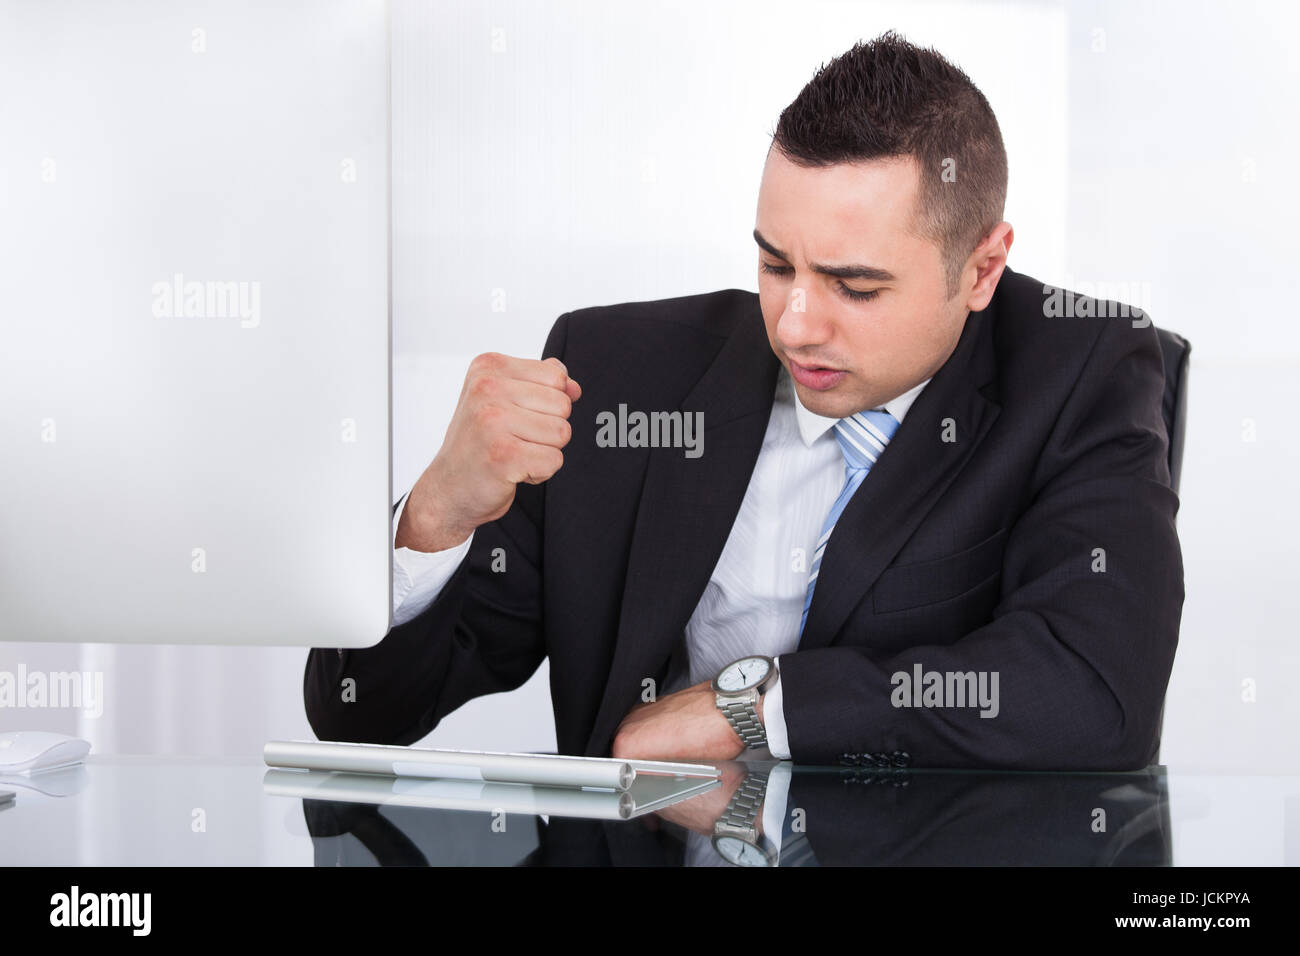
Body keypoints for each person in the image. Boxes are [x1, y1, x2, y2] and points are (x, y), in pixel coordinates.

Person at [304, 31, 1183, 772]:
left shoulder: (1082, 369)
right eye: (775, 264)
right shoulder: (611, 373)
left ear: (983, 269)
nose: (796, 325)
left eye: (854, 285)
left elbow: (1097, 696)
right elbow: (357, 718)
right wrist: (435, 516)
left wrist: (756, 707)